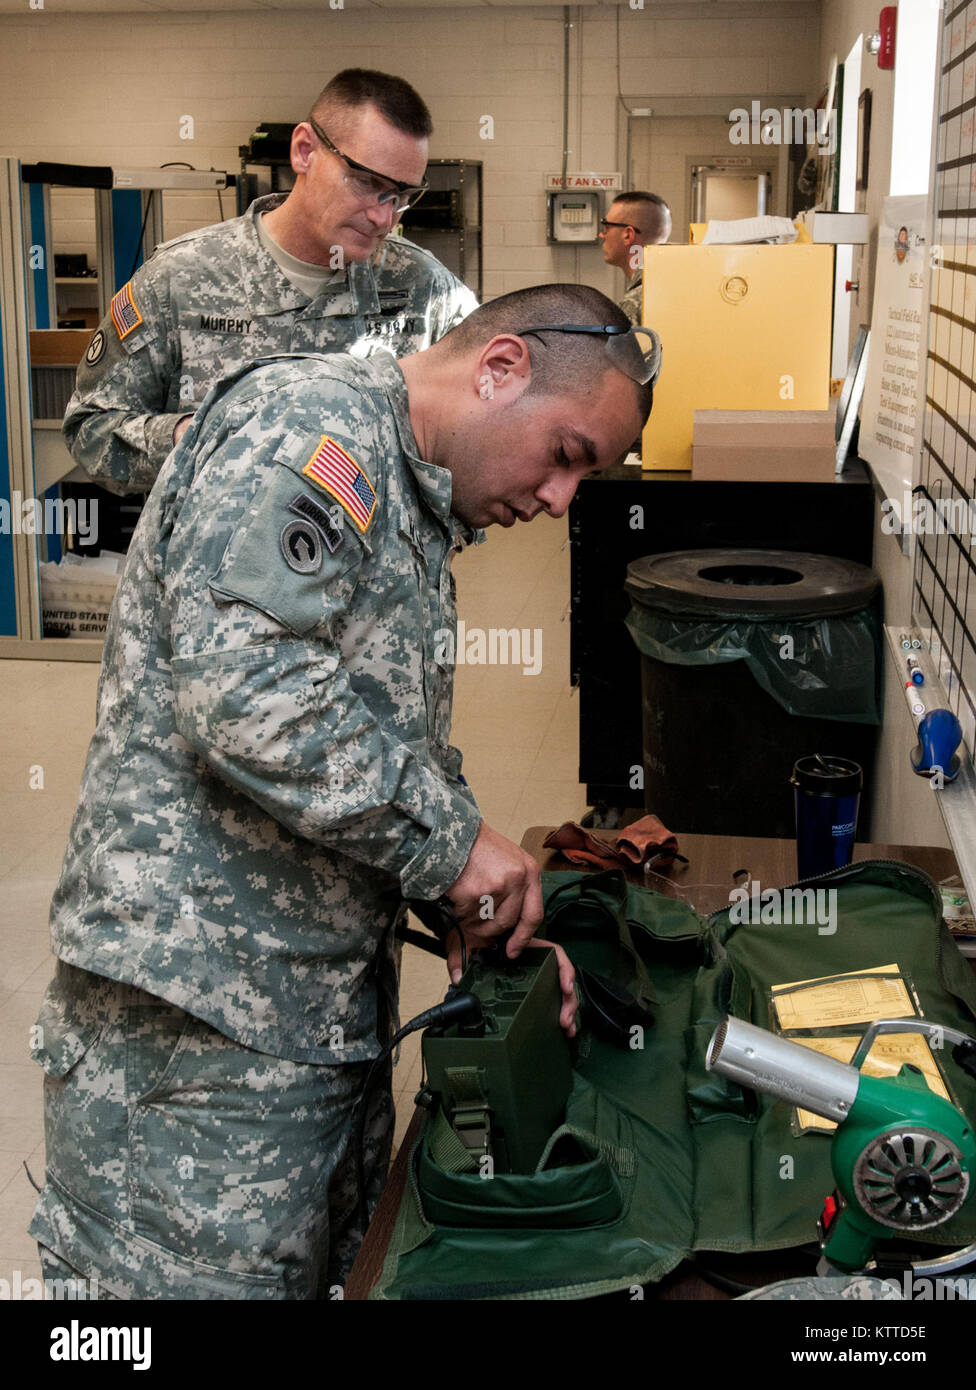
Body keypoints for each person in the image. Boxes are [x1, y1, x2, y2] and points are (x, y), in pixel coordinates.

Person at [29, 283, 661, 1301]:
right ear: (499, 368)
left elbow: (375, 729)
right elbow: (244, 690)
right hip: (194, 1037)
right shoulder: (308, 430)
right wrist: (451, 843)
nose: (558, 500)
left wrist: (458, 897)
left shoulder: (405, 491)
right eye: (566, 454)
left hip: (308, 1014)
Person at [62, 68, 478, 496]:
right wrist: (191, 438)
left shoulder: (425, 289)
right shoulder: (180, 279)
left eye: (402, 196)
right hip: (220, 560)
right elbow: (90, 430)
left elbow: (484, 425)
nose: (383, 217)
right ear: (304, 151)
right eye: (367, 182)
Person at [599, 191, 672, 326]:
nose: (601, 235)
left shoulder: (636, 303)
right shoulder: (674, 286)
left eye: (607, 227)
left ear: (628, 235)